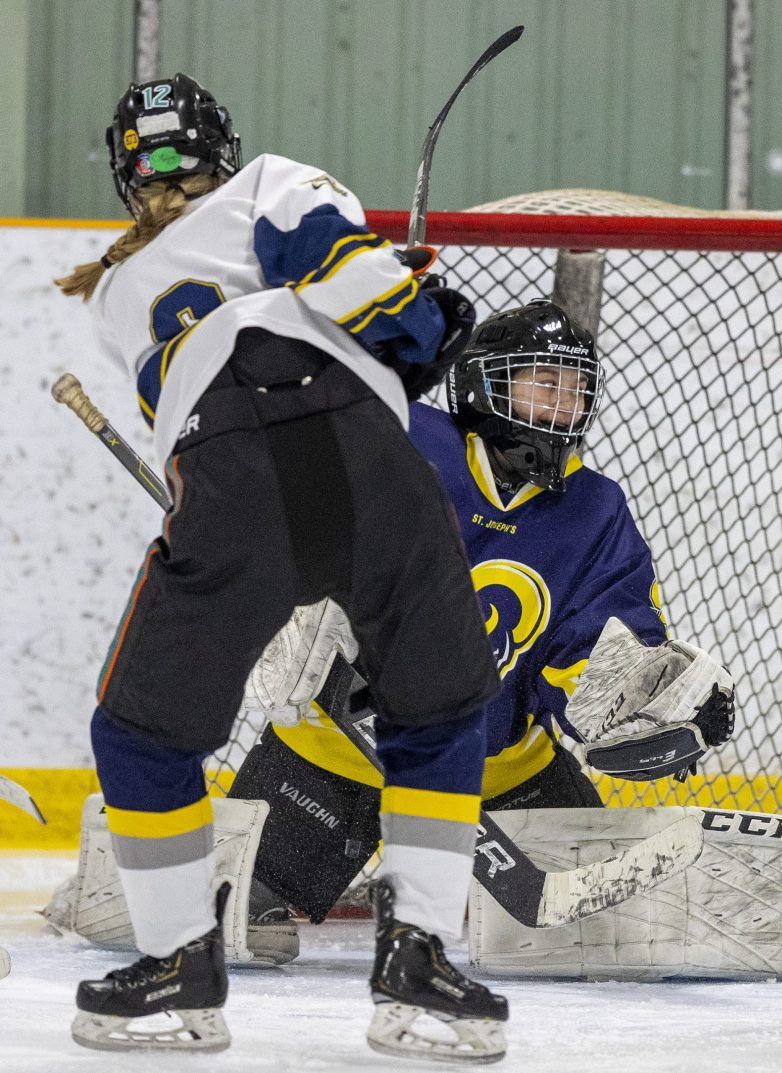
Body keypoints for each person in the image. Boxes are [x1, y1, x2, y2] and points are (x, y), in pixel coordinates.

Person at [55, 72, 508, 1061]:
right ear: (221, 144)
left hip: (226, 473)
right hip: (366, 459)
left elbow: (203, 382)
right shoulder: (271, 179)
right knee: (436, 710)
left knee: (139, 731)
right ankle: (420, 962)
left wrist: (393, 328)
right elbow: (355, 289)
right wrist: (421, 328)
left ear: (128, 176)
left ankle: (179, 965)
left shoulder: (117, 294)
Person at [228, 298, 736, 958]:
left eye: (574, 387)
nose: (561, 401)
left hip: (499, 772)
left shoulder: (594, 510)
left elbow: (593, 656)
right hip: (334, 753)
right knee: (222, 917)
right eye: (542, 381)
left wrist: (646, 704)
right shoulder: (406, 437)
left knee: (602, 936)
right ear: (482, 383)